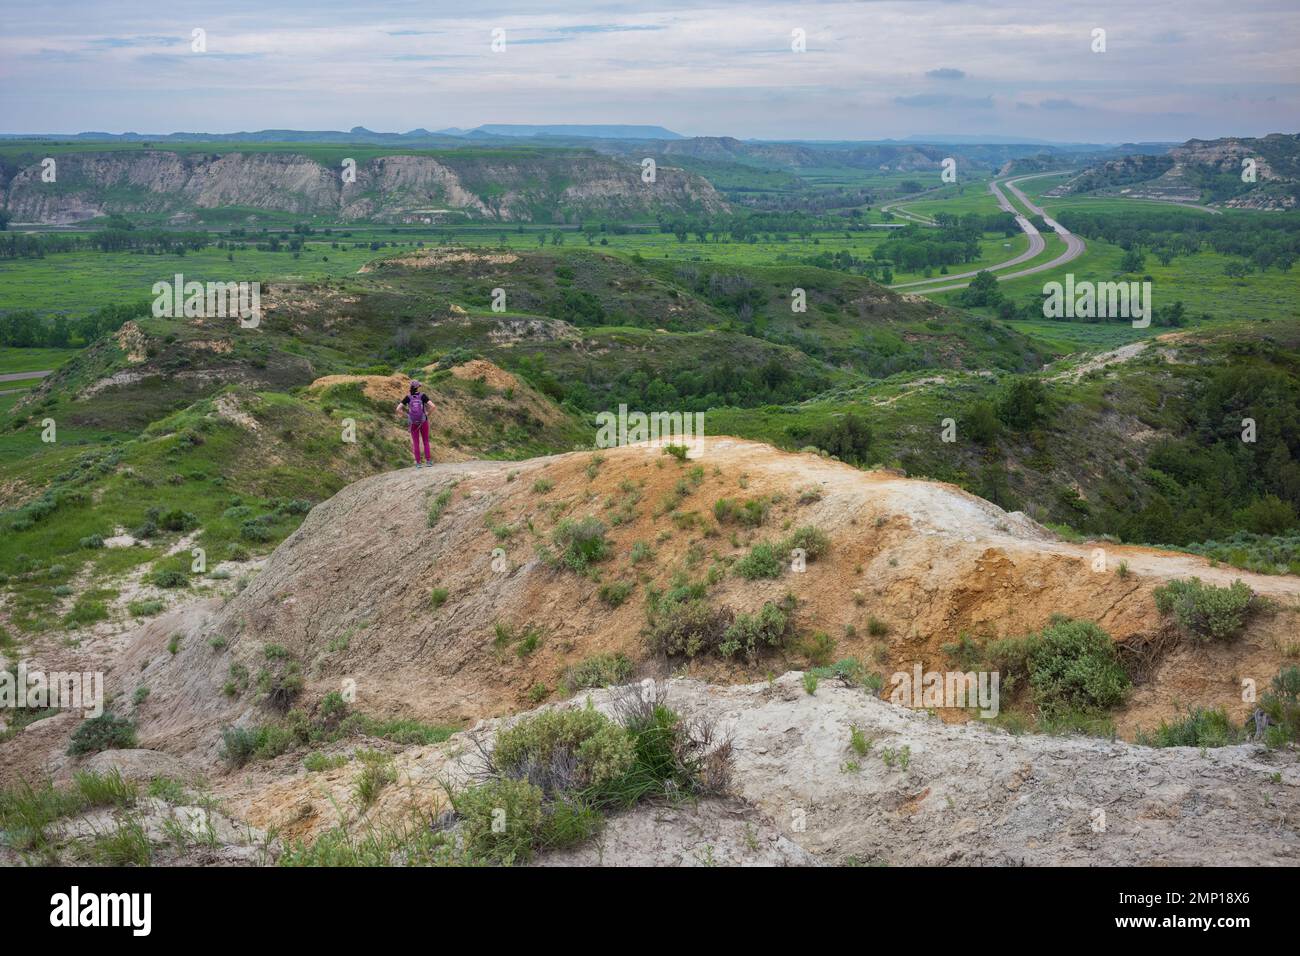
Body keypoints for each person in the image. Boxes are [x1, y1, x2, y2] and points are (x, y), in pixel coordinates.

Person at [396, 379, 435, 467]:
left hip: (413, 422)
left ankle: (418, 463)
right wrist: (427, 414)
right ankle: (428, 461)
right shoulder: (422, 396)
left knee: (416, 442)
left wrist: (407, 415)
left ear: (411, 387)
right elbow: (433, 406)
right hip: (423, 421)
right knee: (425, 441)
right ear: (418, 387)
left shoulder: (408, 397)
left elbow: (398, 409)